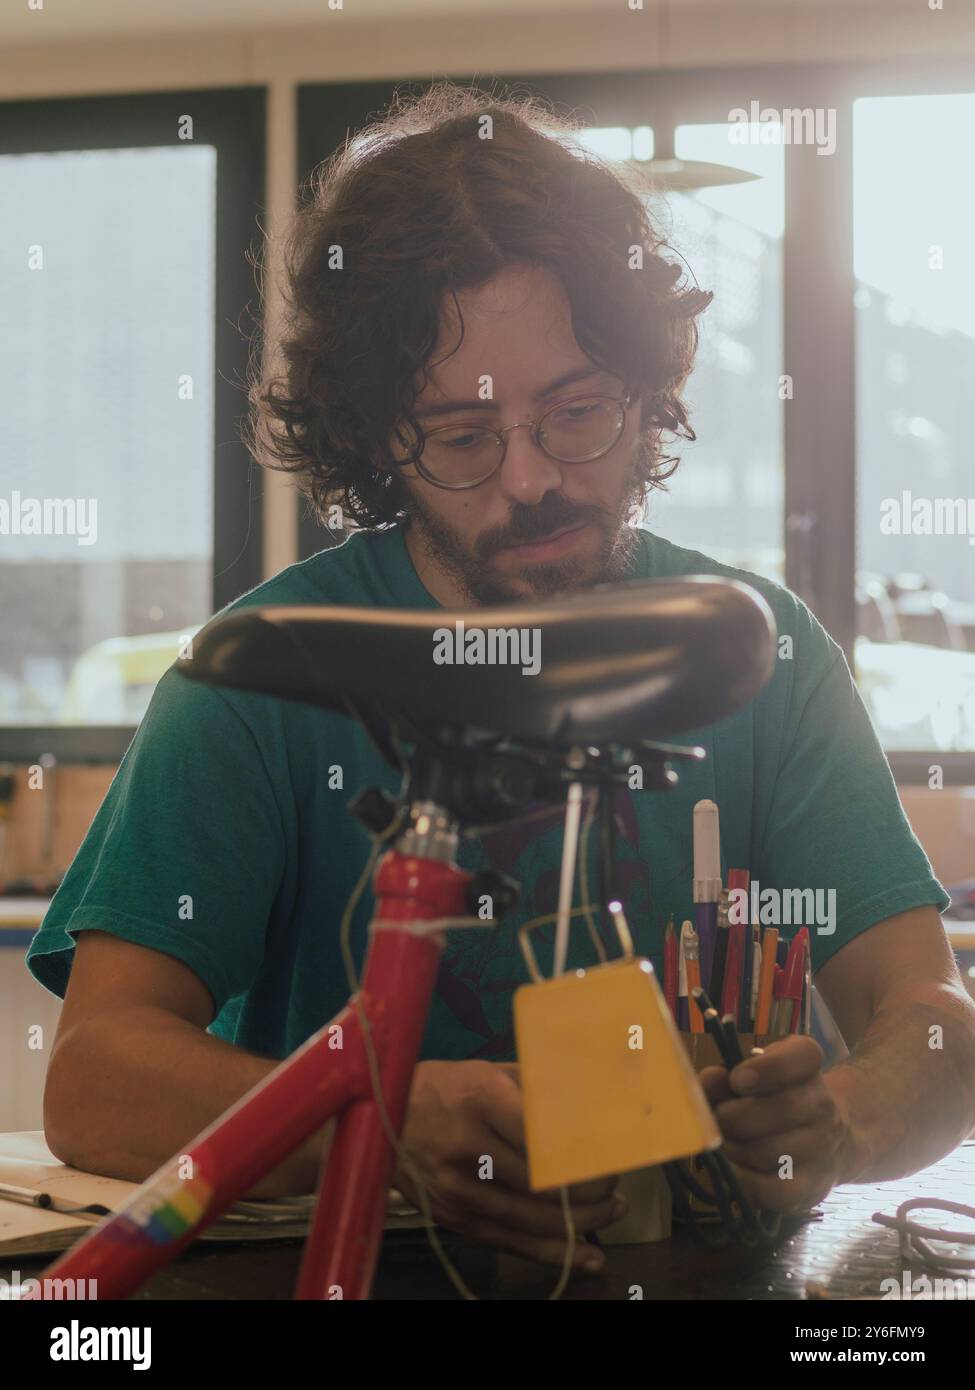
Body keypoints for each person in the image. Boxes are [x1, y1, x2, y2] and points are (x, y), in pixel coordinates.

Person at [28, 83, 975, 1276]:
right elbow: (95, 1079)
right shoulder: (263, 675)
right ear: (379, 438)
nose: (530, 479)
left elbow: (938, 1024)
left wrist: (836, 1124)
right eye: (463, 437)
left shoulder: (760, 654)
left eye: (575, 413)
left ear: (645, 392)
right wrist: (374, 1116)